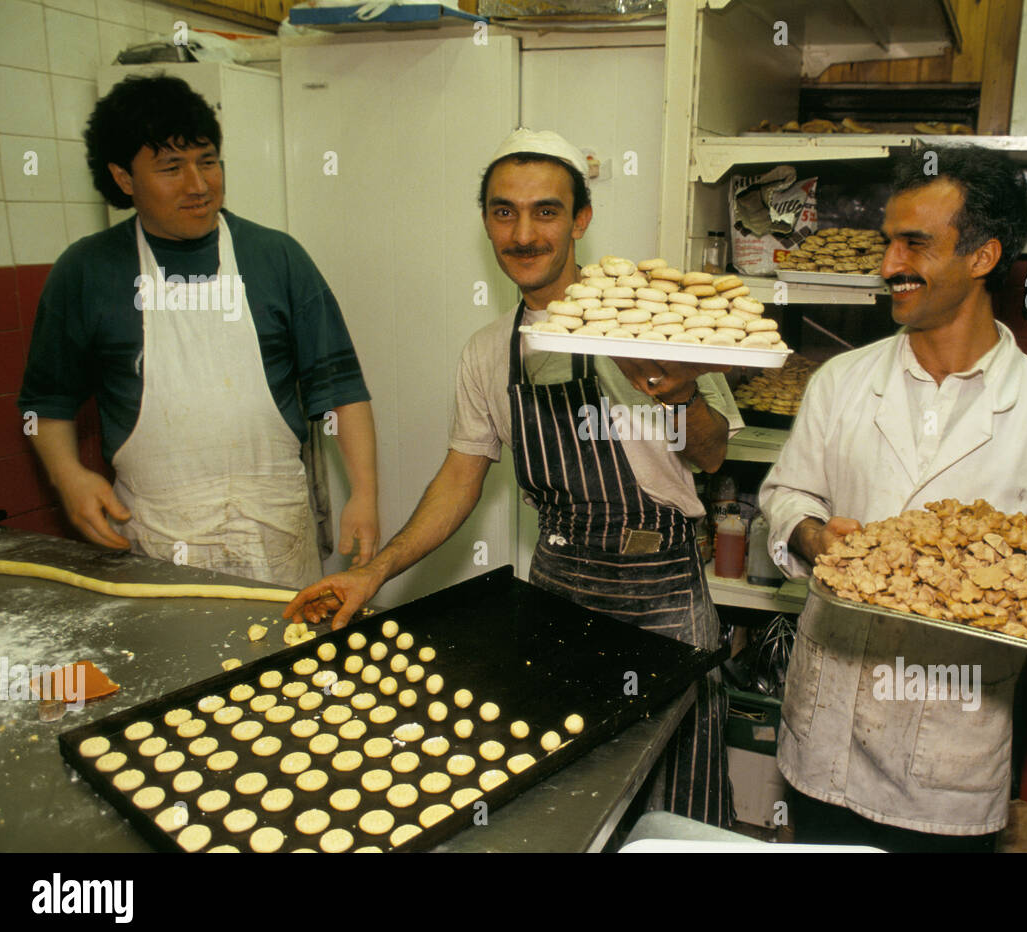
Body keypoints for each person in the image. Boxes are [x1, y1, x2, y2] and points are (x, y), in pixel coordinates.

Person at [285, 129, 741, 826]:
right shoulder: (488, 351)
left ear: (580, 220)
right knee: (566, 804)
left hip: (661, 601)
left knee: (671, 813)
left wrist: (676, 390)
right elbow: (459, 482)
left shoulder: (653, 317)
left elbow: (712, 455)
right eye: (504, 212)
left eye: (546, 212)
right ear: (487, 223)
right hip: (556, 595)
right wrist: (372, 573)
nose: (524, 234)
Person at [758, 146, 1027, 851]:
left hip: (945, 760)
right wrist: (809, 537)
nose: (888, 264)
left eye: (914, 244)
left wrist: (1015, 589)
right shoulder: (842, 382)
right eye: (887, 242)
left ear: (983, 256)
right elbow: (785, 492)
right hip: (822, 733)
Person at [19, 74, 377, 586]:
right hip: (154, 538)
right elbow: (44, 404)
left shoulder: (277, 258)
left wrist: (363, 493)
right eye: (171, 168)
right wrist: (68, 475)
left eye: (207, 161)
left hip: (275, 531)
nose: (199, 184)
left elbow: (341, 390)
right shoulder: (86, 271)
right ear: (123, 178)